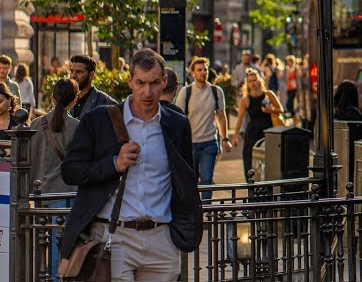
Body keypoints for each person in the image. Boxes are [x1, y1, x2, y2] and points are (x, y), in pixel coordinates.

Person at [60, 49, 202, 280]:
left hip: (161, 239)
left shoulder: (177, 124)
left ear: (164, 81)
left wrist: (179, 232)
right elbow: (70, 171)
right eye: (140, 83)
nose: (147, 91)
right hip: (113, 238)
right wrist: (114, 164)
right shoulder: (99, 120)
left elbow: (185, 179)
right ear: (129, 82)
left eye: (155, 83)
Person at [31, 78, 79, 279]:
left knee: (43, 250)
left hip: (42, 198)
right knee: (66, 252)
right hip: (69, 197)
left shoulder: (35, 124)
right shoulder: (77, 127)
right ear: (75, 100)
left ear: (52, 97)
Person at [176, 56, 231, 200]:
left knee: (206, 179)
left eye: (205, 69)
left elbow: (220, 115)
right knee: (191, 180)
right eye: (199, 70)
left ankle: (206, 210)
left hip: (209, 142)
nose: (203, 72)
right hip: (190, 144)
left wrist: (225, 139)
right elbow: (179, 118)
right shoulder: (185, 92)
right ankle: (194, 210)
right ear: (193, 73)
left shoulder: (216, 91)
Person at [231, 68, 282, 181]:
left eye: (254, 80)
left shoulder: (268, 94)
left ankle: (269, 184)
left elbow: (280, 109)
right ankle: (251, 184)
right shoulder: (245, 99)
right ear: (247, 84)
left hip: (268, 131)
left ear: (259, 81)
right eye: (250, 81)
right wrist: (235, 136)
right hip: (252, 132)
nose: (253, 83)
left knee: (270, 159)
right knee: (249, 158)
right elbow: (239, 119)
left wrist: (270, 111)